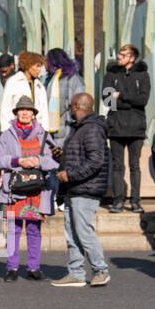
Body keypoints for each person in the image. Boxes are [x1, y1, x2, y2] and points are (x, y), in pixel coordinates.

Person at [0, 95, 57, 281]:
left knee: (34, 230)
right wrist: (18, 161)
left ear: (33, 114)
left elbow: (53, 160)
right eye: (21, 110)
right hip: (14, 190)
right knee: (13, 230)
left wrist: (37, 160)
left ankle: (33, 268)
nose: (24, 113)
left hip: (36, 190)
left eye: (28, 110)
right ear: (16, 113)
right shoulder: (7, 134)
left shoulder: (44, 135)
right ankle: (11, 269)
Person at [51, 92, 110, 288]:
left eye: (70, 106)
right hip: (74, 189)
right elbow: (81, 157)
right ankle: (76, 273)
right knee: (71, 232)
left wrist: (70, 174)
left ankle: (100, 270)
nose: (69, 109)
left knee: (83, 231)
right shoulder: (80, 129)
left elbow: (96, 160)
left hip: (85, 189)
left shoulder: (91, 129)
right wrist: (62, 156)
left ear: (77, 106)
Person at [102, 44, 150, 213]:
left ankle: (136, 201)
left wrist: (121, 95)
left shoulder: (143, 75)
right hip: (116, 126)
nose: (119, 57)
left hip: (136, 127)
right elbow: (108, 101)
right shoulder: (111, 74)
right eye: (119, 54)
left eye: (123, 55)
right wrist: (128, 101)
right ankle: (118, 201)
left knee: (134, 165)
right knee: (117, 166)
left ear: (132, 58)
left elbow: (143, 100)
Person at [44, 48, 85, 148]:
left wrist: (71, 120)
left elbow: (79, 103)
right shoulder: (50, 79)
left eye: (46, 61)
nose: (44, 64)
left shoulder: (73, 78)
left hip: (67, 126)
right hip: (52, 127)